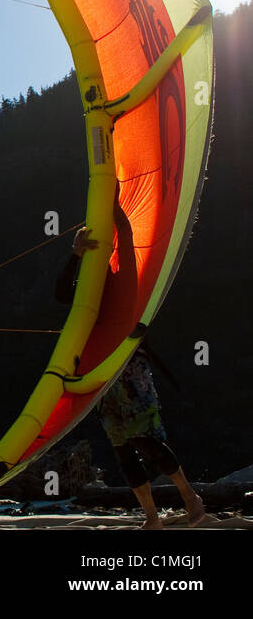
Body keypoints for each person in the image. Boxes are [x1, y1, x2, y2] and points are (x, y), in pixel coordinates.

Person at [56, 193, 205, 528]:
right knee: (123, 448)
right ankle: (151, 518)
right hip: (103, 375)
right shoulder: (88, 287)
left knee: (146, 440)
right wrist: (75, 254)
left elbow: (126, 235)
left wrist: (110, 200)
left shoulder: (123, 277)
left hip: (129, 369)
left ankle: (193, 502)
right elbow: (60, 293)